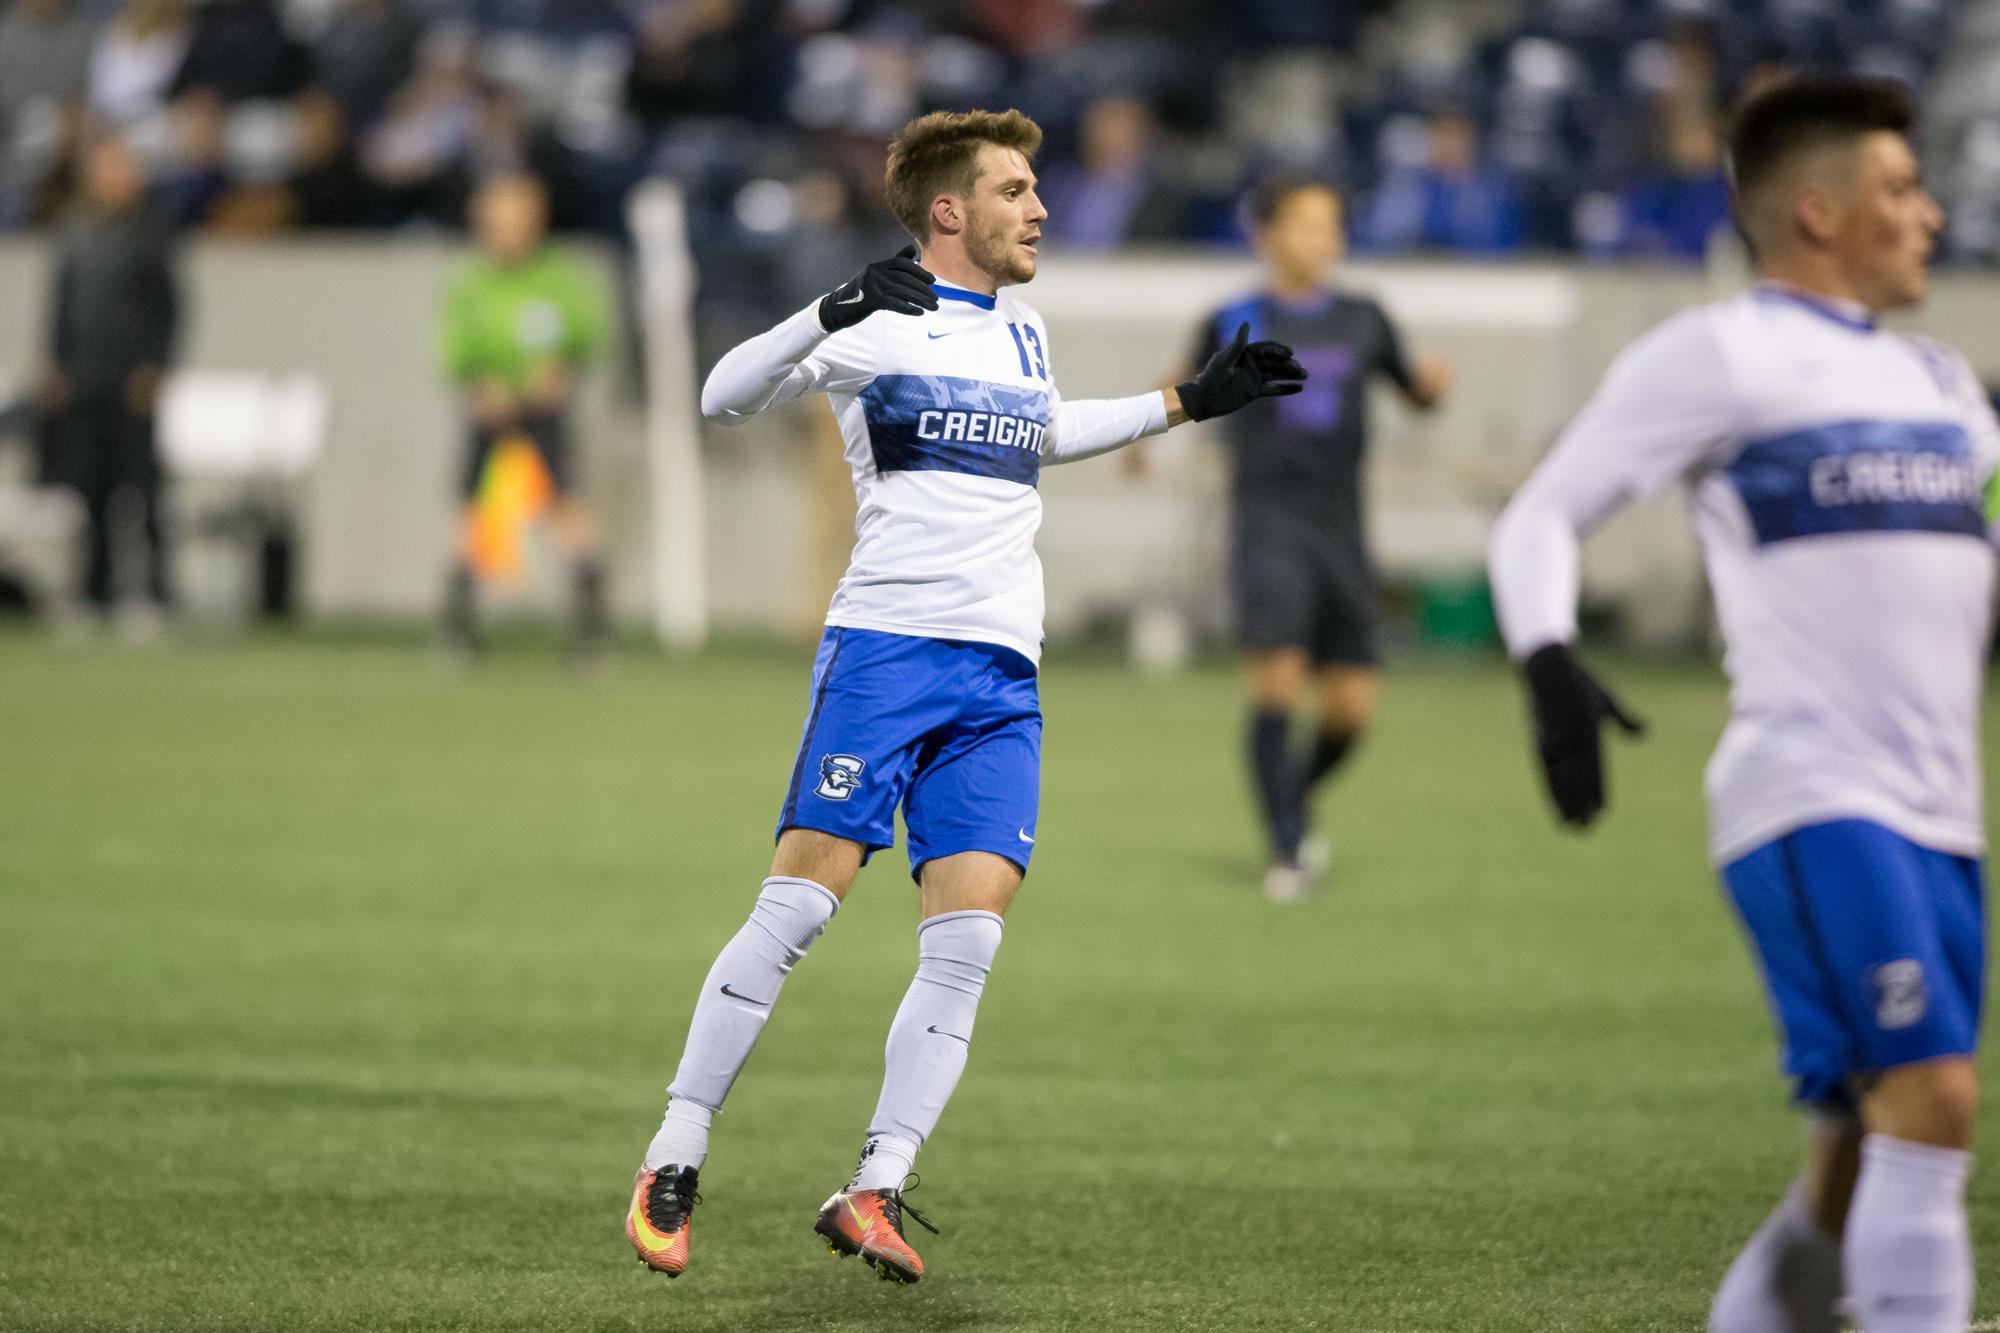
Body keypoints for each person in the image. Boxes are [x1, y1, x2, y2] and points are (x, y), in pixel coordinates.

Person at [625, 108, 1304, 1285]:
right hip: (886, 652)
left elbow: (1041, 433)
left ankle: (876, 1185)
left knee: (967, 943)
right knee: (796, 913)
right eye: (1014, 190)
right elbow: (721, 395)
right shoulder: (876, 318)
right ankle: (673, 1153)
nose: (1038, 208)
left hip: (1001, 673)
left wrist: (1188, 402)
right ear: (950, 210)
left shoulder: (1025, 330)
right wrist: (824, 313)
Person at [1488, 78, 1992, 1333]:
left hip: (1942, 811)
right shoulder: (1722, 351)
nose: (1927, 215)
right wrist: (1547, 664)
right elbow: (1545, 511)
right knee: (1930, 1102)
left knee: (1854, 1153)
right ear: (1815, 213)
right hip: (1814, 790)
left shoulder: (1942, 384)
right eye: (1897, 190)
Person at [1177, 176, 1447, 902]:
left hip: (1343, 528)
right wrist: (1146, 429)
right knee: (1279, 684)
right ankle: (1287, 848)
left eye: (1331, 226)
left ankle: (1291, 792)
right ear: (1265, 234)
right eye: (1304, 224)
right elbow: (1187, 384)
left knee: (1353, 705)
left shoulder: (1365, 316)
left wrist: (1432, 387)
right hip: (1266, 522)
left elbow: (1414, 390)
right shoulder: (1234, 314)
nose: (1320, 240)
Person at [437, 173, 612, 664]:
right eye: (499, 223)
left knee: (565, 508)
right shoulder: (470, 282)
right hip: (489, 413)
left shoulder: (557, 277)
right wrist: (479, 383)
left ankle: (590, 629)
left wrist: (557, 372)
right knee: (472, 513)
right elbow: (454, 347)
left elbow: (584, 335)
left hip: (543, 412)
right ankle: (458, 628)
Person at [42, 133, 179, 628]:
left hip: (132, 386)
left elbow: (169, 309)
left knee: (142, 492)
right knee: (89, 493)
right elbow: (61, 306)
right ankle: (91, 593)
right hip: (85, 382)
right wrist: (57, 364)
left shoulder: (149, 233)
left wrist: (155, 365)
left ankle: (154, 594)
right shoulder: (76, 231)